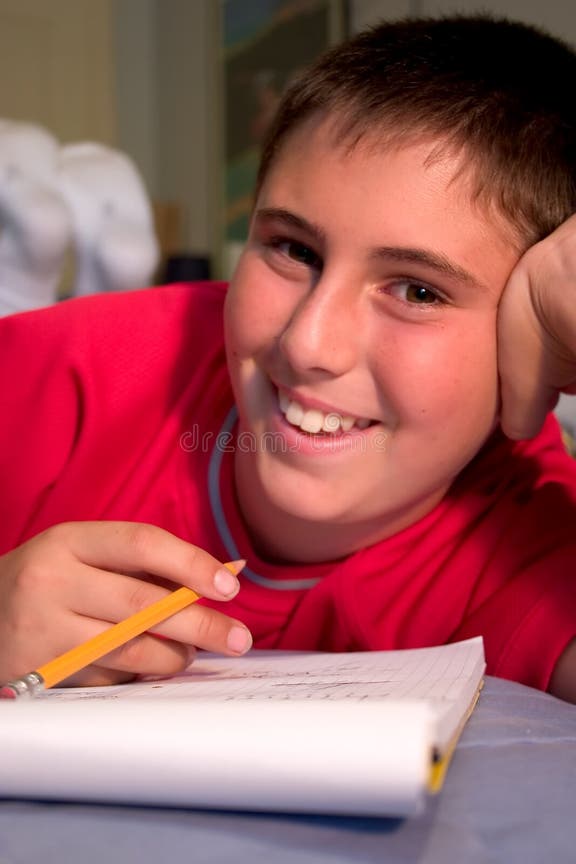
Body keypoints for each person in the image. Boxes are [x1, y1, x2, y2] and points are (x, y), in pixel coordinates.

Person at [1, 15, 575, 701]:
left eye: (417, 291)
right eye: (293, 250)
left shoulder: (523, 533)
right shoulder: (71, 369)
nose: (308, 343)